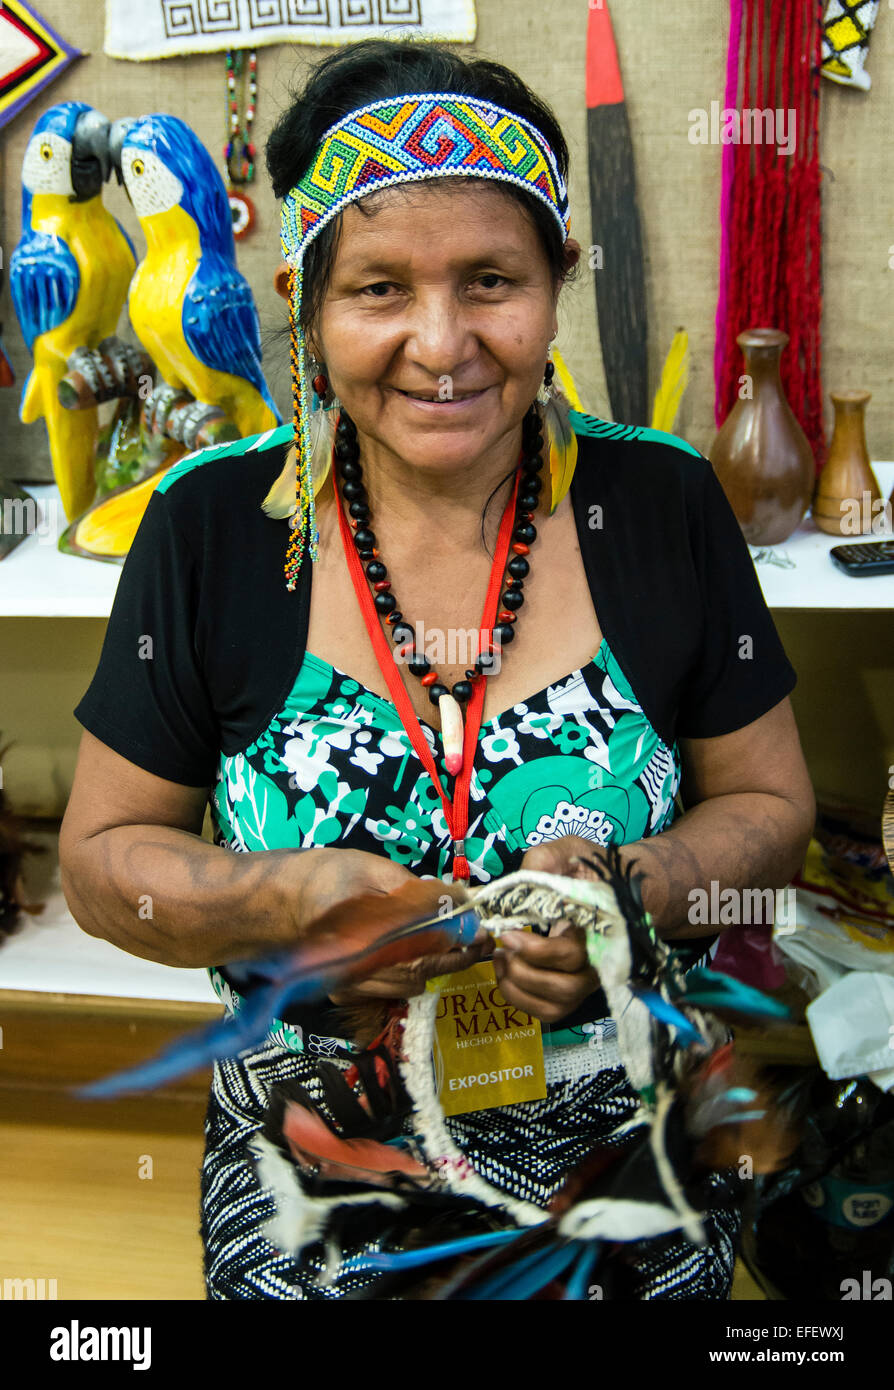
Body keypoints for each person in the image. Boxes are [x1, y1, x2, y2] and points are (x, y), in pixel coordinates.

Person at [59, 39, 816, 1300]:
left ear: (558, 280)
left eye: (490, 280)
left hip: (624, 1157)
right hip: (317, 1172)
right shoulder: (210, 529)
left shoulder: (665, 505)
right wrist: (281, 905)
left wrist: (629, 892)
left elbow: (774, 810)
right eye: (377, 291)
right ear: (307, 300)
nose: (442, 343)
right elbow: (100, 863)